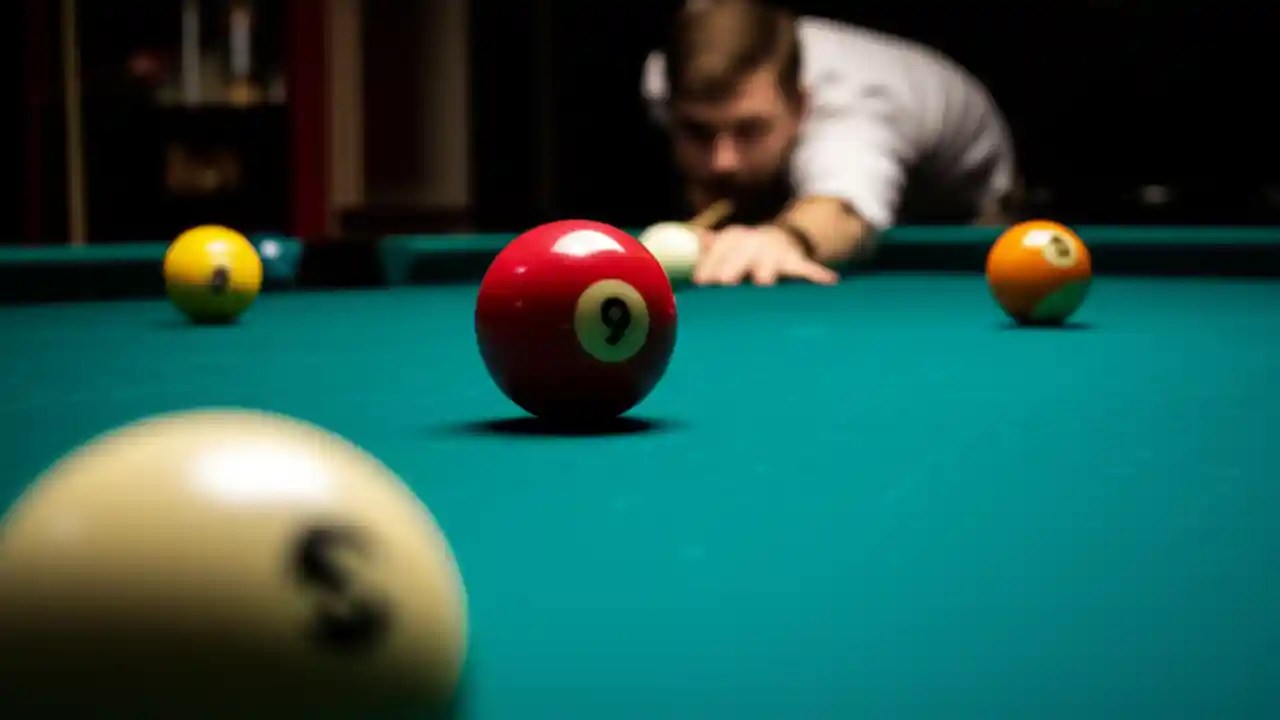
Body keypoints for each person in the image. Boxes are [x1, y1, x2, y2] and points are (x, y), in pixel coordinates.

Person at [641, 0, 1020, 286]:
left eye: (750, 130)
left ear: (801, 104)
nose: (723, 162)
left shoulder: (854, 106)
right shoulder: (660, 80)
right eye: (698, 132)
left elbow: (842, 210)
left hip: (969, 211)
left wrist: (788, 237)